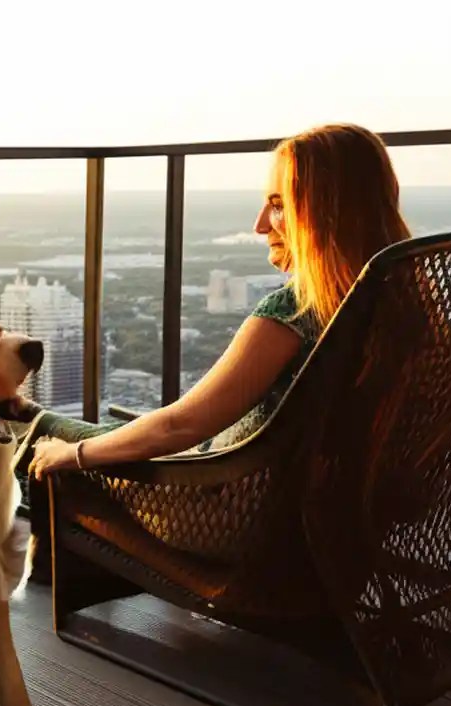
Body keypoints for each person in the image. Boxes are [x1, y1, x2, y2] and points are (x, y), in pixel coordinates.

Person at [20, 122, 411, 479]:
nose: (260, 225)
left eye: (278, 206)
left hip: (219, 511)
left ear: (328, 212)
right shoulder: (408, 306)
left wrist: (75, 455)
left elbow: (181, 427)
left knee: (45, 443)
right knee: (84, 429)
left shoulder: (293, 315)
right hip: (337, 517)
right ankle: (16, 409)